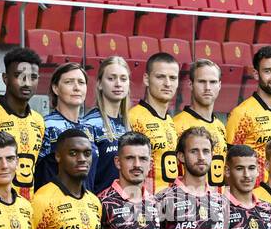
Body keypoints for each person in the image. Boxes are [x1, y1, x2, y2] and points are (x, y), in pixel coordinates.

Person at [156, 126, 228, 229]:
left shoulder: (222, 202)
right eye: (194, 151)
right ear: (181, 156)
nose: (201, 157)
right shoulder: (162, 200)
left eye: (206, 151)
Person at [31, 128, 102, 229]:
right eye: (73, 153)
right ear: (58, 156)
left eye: (87, 153)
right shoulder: (42, 200)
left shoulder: (94, 202)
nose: (82, 159)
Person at [0, 46, 45, 201]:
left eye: (33, 77)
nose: (26, 83)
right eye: (19, 76)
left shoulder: (38, 121)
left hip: (26, 210)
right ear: (5, 78)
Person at [227, 44, 271, 177]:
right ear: (256, 74)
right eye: (268, 71)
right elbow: (229, 164)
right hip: (253, 195)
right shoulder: (242, 114)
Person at [37, 62, 97, 190]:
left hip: (87, 203)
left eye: (81, 82)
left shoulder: (89, 128)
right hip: (55, 203)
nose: (76, 88)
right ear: (56, 88)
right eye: (69, 82)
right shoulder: (45, 126)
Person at [128, 52, 181, 192]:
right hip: (145, 205)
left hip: (171, 206)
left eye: (173, 78)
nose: (167, 83)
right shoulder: (133, 119)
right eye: (160, 77)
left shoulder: (170, 121)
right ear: (146, 79)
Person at [172, 58, 228, 188]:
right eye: (202, 81)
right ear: (190, 84)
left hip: (218, 202)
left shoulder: (220, 126)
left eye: (213, 82)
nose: (208, 87)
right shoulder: (176, 125)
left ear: (219, 85)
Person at [84, 55, 131, 193]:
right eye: (111, 78)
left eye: (123, 79)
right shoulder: (89, 124)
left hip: (126, 206)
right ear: (99, 84)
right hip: (98, 205)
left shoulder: (128, 126)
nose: (118, 84)